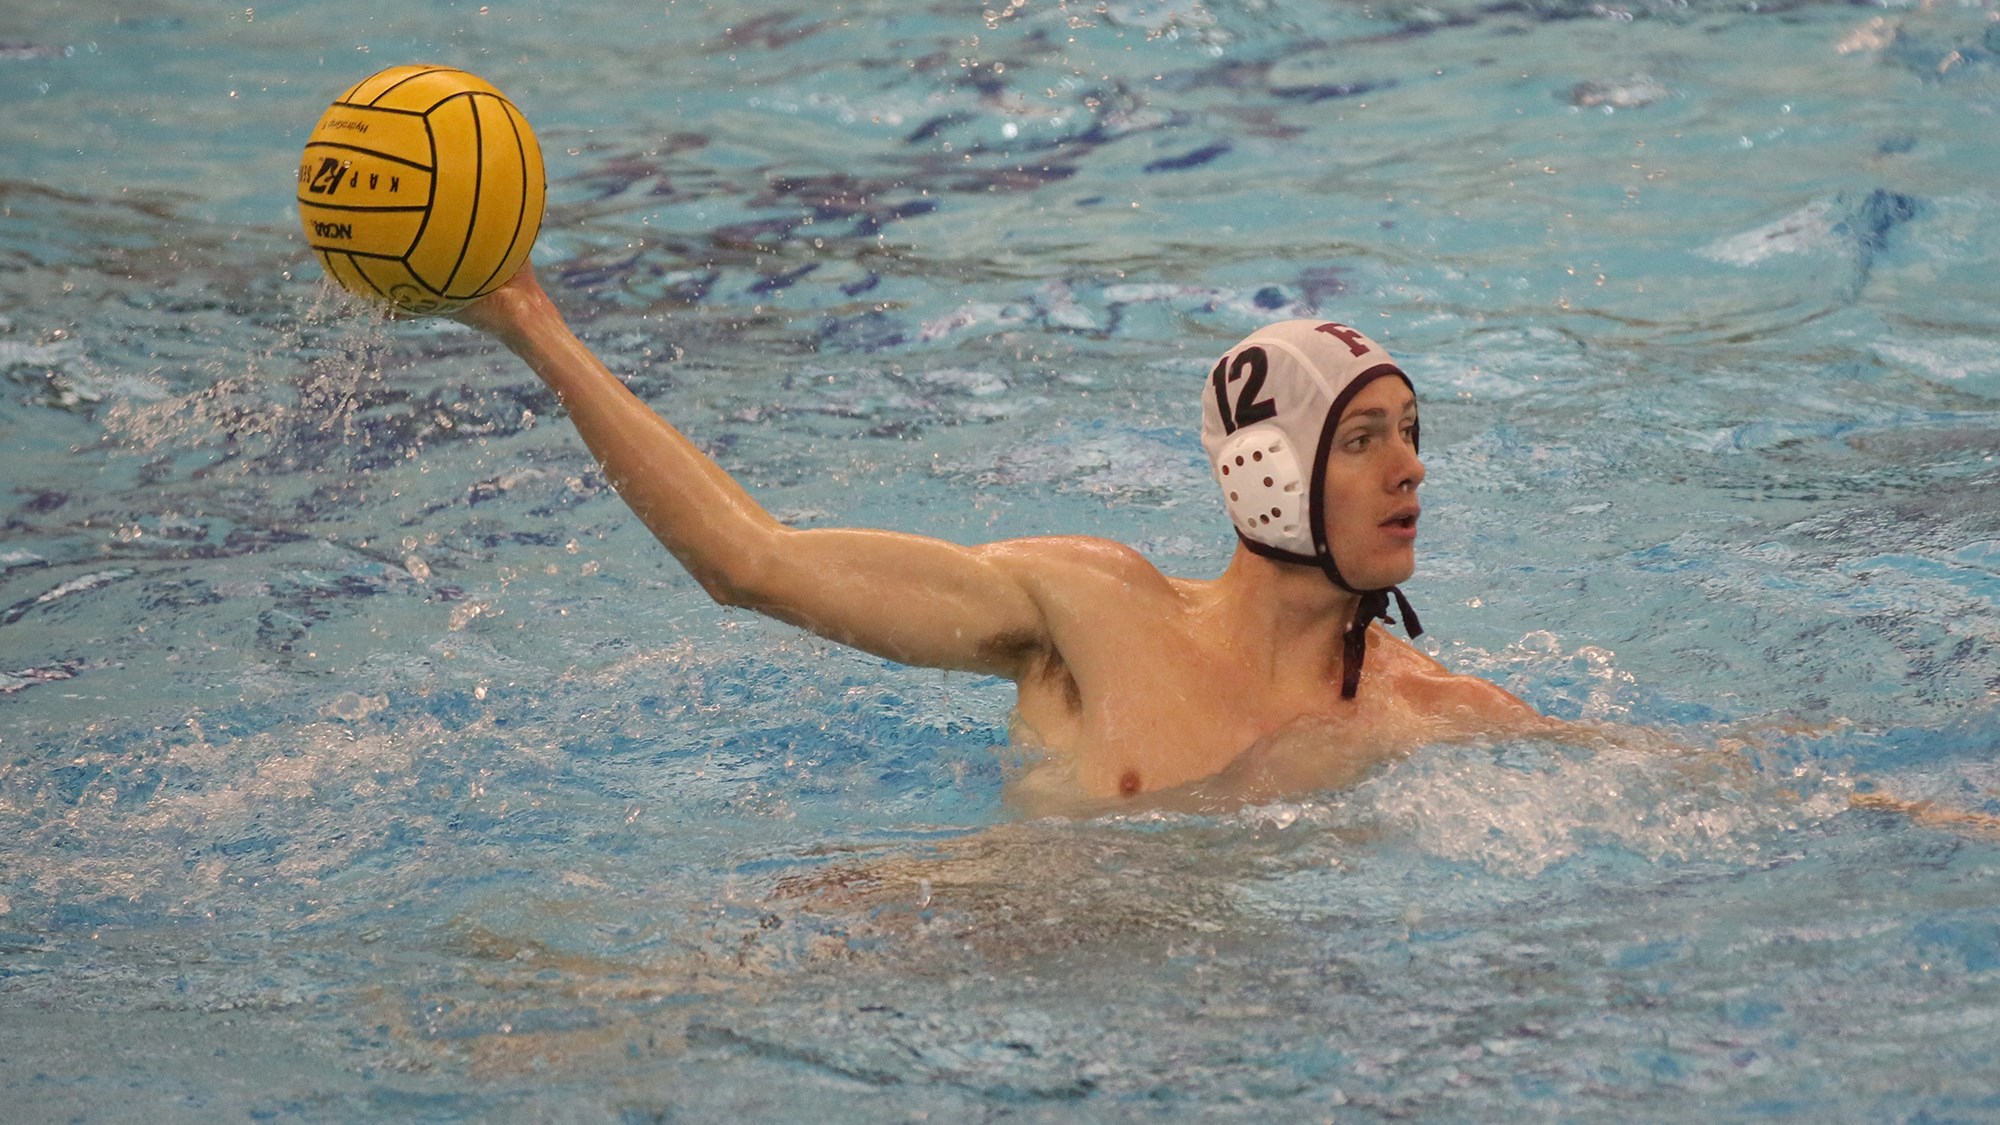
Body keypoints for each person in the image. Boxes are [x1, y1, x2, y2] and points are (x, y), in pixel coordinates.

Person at [453, 267, 1551, 806]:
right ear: (1268, 472)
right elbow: (749, 565)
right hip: (957, 974)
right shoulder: (1088, 610)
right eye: (1362, 438)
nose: (1410, 465)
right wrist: (534, 327)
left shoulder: (1426, 712)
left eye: (1408, 432)